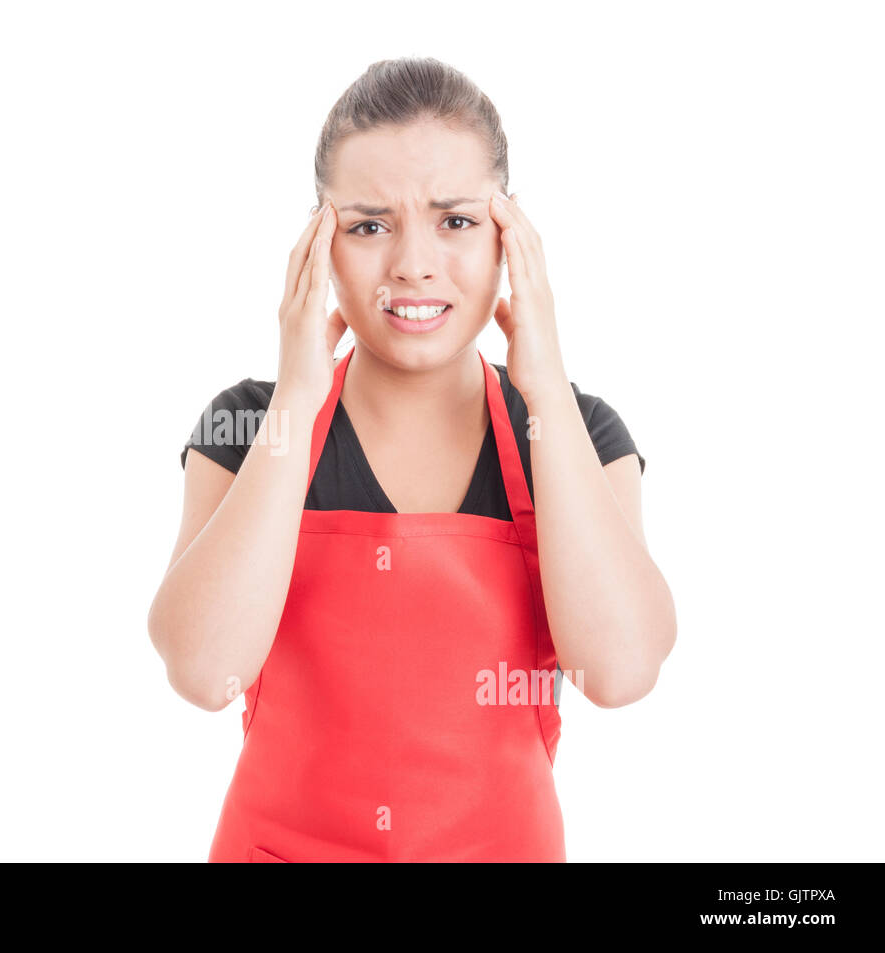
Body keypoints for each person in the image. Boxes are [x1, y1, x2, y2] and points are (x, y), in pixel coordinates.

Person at [147, 57, 676, 862]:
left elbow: (621, 671)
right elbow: (202, 668)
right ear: (316, 244)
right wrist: (296, 397)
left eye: (455, 220)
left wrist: (547, 386)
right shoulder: (248, 424)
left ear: (512, 235)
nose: (413, 264)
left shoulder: (575, 434)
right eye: (368, 225)